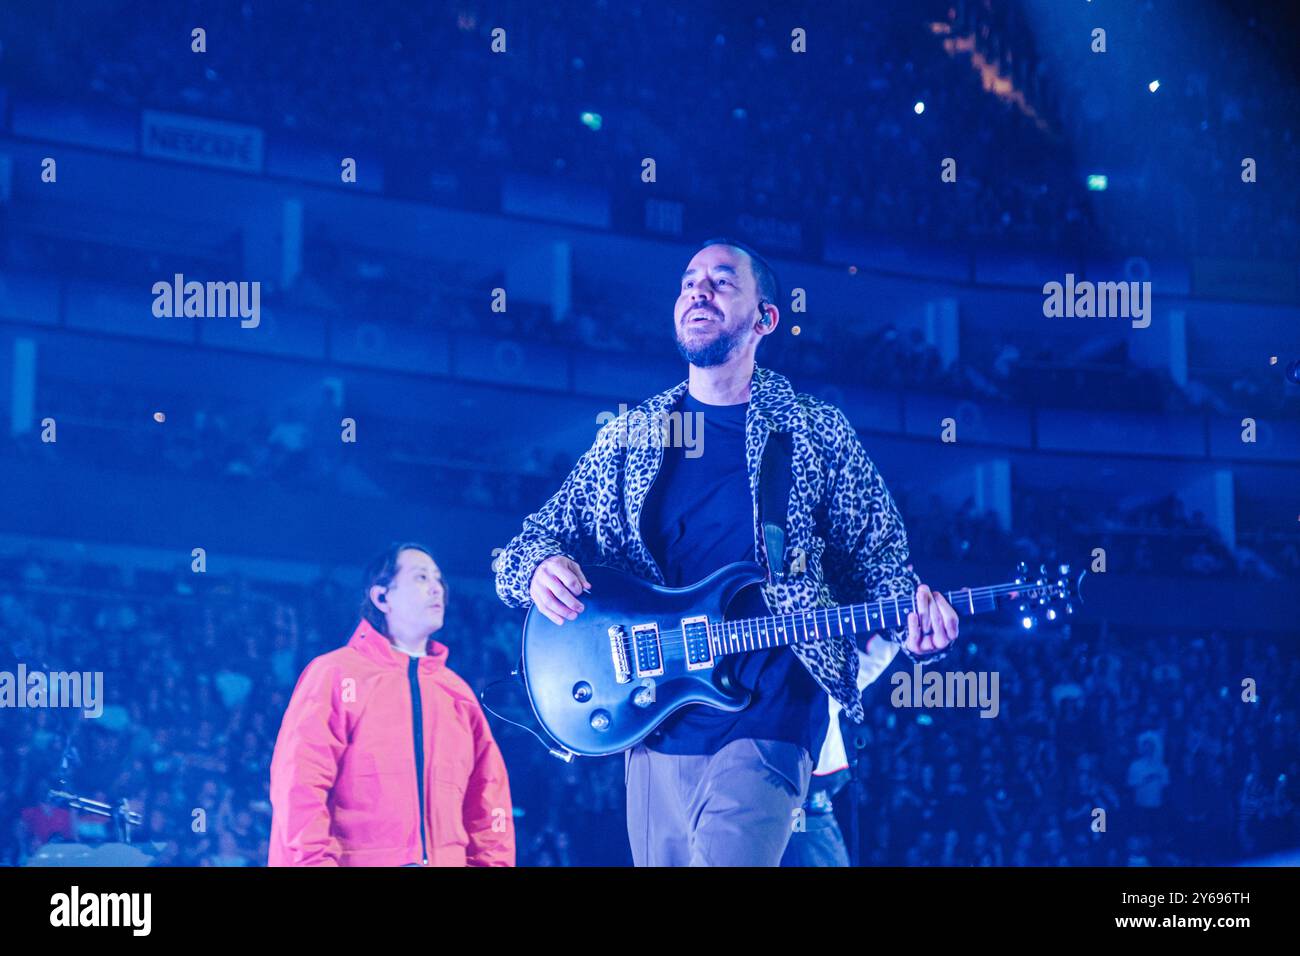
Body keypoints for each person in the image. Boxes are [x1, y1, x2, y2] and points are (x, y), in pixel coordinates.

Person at [494, 238, 958, 866]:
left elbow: (881, 560)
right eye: (689, 282)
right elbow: (527, 543)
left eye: (721, 281)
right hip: (654, 722)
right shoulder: (633, 436)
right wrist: (537, 568)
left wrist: (913, 629)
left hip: (770, 718)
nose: (698, 291)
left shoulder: (813, 432)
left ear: (765, 319)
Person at [269, 543, 514, 866]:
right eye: (421, 577)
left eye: (439, 580)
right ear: (381, 597)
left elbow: (489, 800)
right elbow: (299, 785)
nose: (436, 588)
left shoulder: (457, 694)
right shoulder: (336, 674)